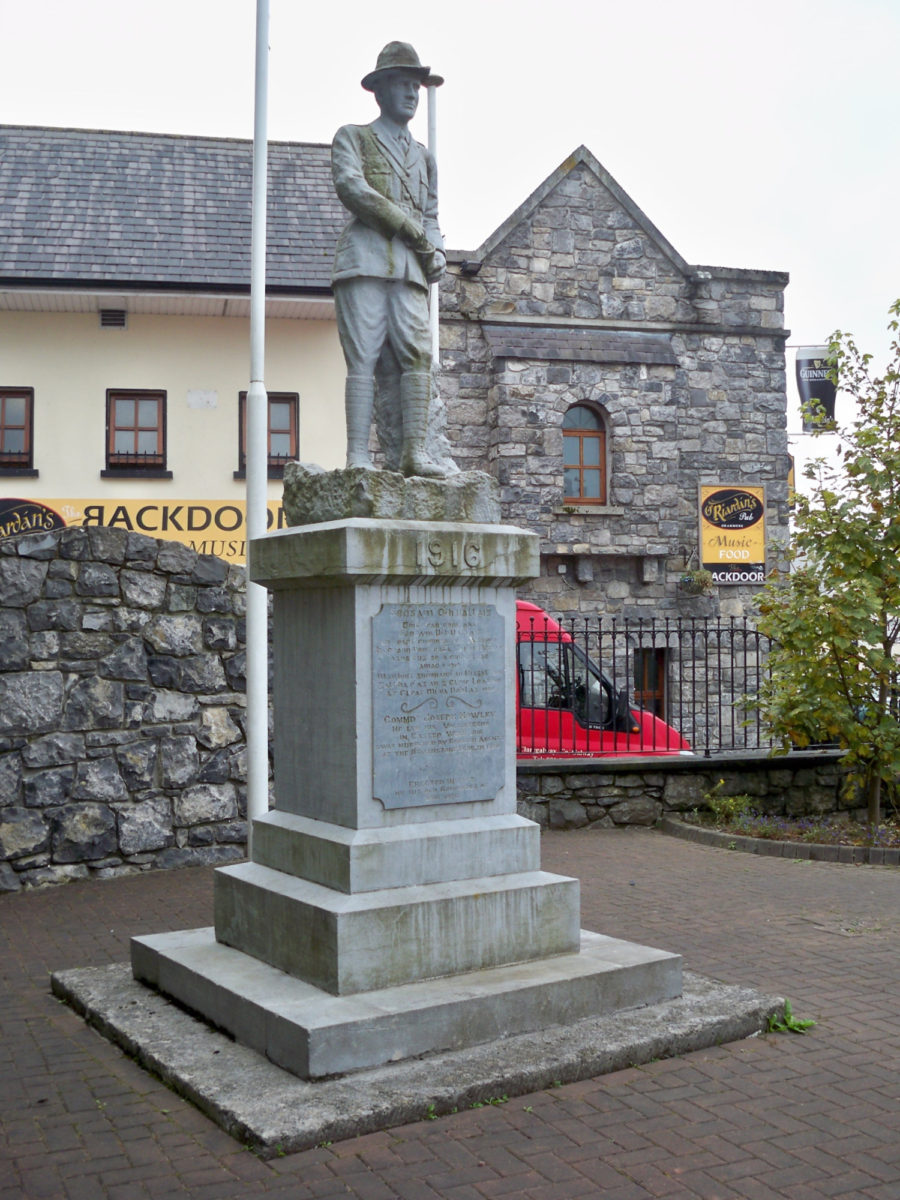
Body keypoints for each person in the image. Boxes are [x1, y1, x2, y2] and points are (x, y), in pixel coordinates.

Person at [331, 42, 453, 478]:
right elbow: (353, 189)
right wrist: (409, 227)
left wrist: (436, 250)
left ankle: (414, 454)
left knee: (417, 357)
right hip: (364, 262)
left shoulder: (424, 157)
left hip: (411, 271)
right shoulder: (354, 137)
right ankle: (357, 456)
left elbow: (432, 215)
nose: (412, 93)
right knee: (363, 357)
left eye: (416, 86)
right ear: (379, 91)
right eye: (402, 84)